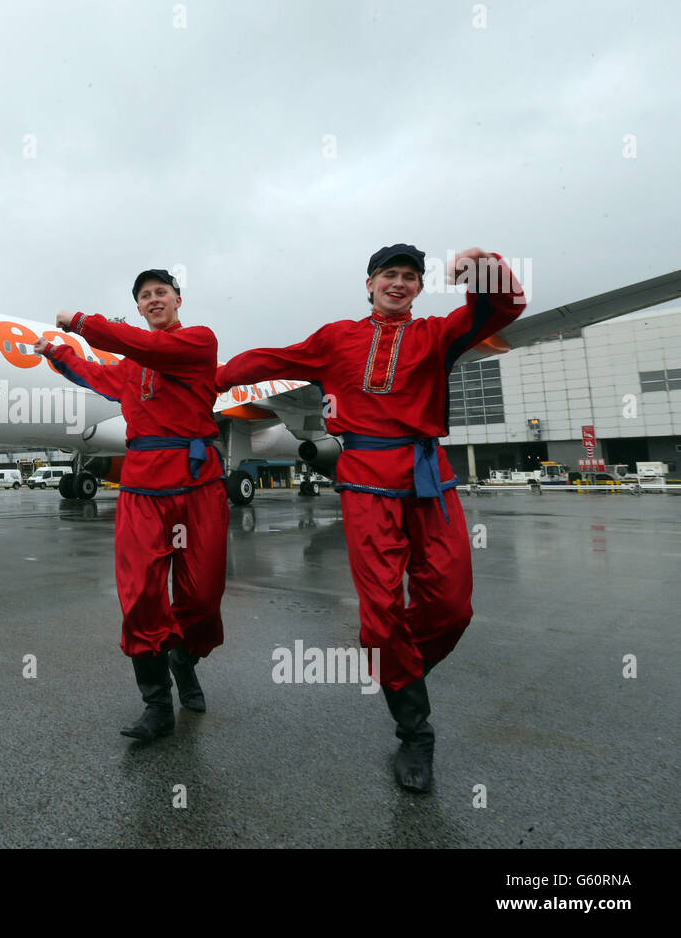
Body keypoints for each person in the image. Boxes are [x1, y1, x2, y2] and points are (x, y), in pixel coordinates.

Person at [214, 244, 526, 791]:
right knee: (380, 615)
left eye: (409, 276)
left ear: (420, 288)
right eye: (389, 274)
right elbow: (276, 358)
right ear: (369, 283)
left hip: (430, 474)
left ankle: (400, 671)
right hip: (364, 480)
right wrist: (220, 376)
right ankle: (415, 732)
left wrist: (481, 268)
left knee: (453, 604)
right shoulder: (335, 338)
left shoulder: (436, 333)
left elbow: (498, 311)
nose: (398, 283)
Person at [34, 268, 228, 743]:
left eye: (161, 292)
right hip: (143, 490)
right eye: (145, 296)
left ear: (178, 299)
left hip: (198, 484)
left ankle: (184, 658)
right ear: (139, 308)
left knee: (202, 596)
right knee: (140, 595)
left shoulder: (198, 343)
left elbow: (150, 349)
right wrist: (56, 353)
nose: (154, 299)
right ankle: (157, 705)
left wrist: (81, 322)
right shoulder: (131, 366)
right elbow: (97, 373)